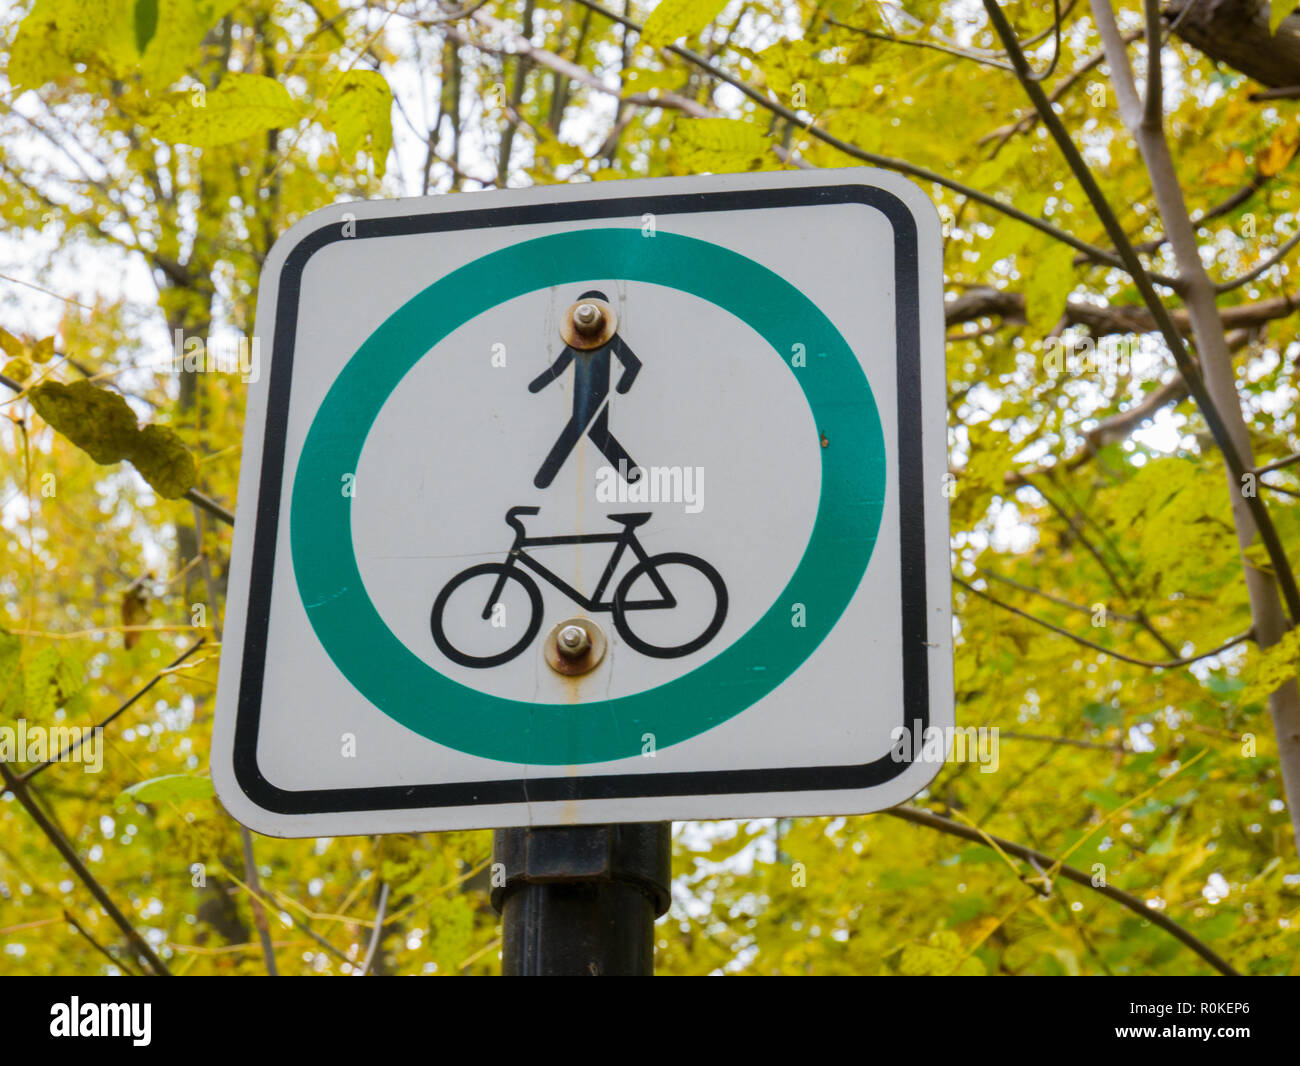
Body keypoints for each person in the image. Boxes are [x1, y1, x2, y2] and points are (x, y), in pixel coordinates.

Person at [528, 289, 643, 489]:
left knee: (576, 429)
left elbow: (632, 364)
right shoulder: (576, 340)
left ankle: (543, 479)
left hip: (599, 395)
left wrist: (621, 388)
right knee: (597, 433)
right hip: (580, 396)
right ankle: (632, 474)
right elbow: (558, 367)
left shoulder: (611, 339)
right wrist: (536, 385)